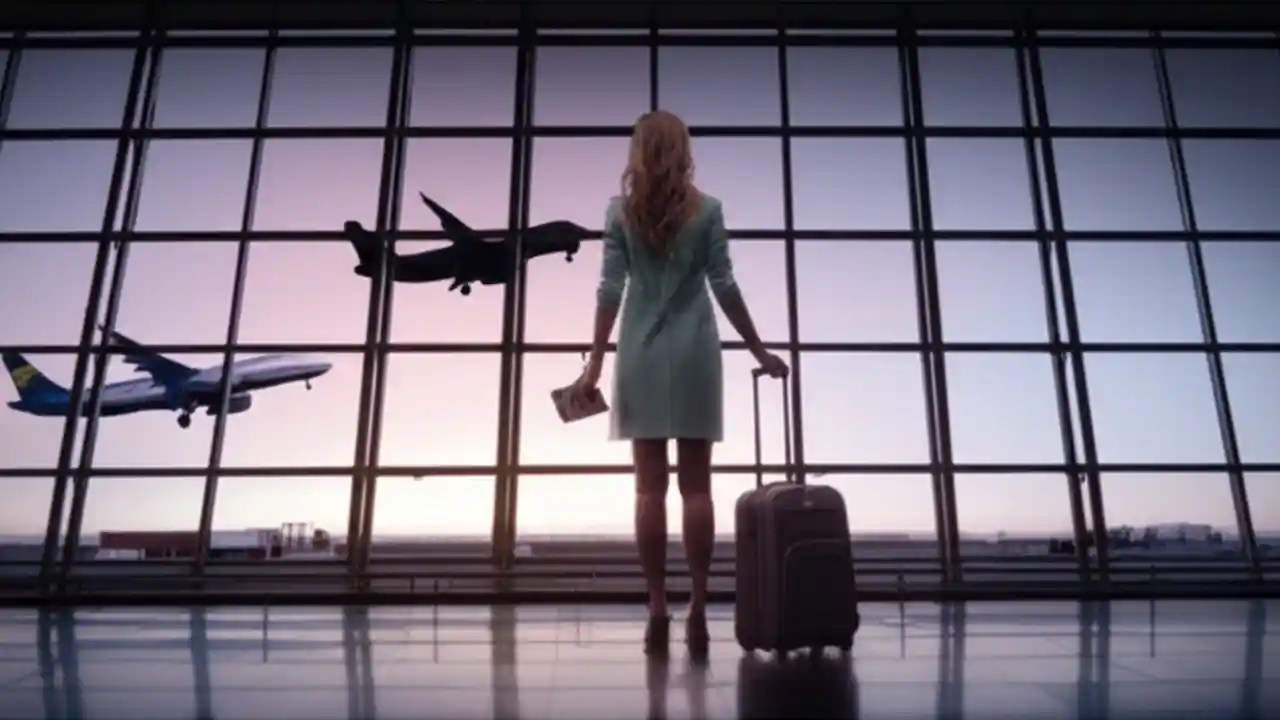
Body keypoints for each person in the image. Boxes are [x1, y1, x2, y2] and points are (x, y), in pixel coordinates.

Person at [570, 110, 787, 656]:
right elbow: (724, 286)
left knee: (647, 489)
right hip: (694, 355)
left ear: (638, 150)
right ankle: (697, 604)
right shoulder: (708, 210)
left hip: (640, 356)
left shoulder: (619, 213)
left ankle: (656, 606)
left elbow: (609, 291)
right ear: (684, 148)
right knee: (697, 487)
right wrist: (759, 349)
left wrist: (593, 365)